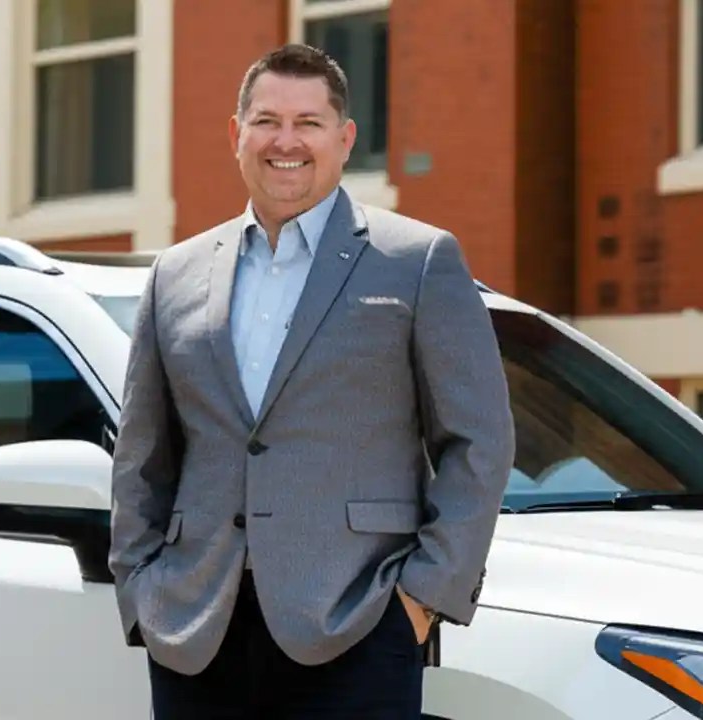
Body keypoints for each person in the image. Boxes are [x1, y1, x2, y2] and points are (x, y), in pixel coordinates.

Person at [108, 43, 515, 719]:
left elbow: (480, 441)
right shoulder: (173, 274)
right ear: (236, 135)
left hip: (356, 624)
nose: (286, 141)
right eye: (267, 121)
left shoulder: (417, 262)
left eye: (309, 122)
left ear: (345, 138)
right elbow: (141, 453)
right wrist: (141, 588)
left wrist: (422, 600)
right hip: (195, 630)